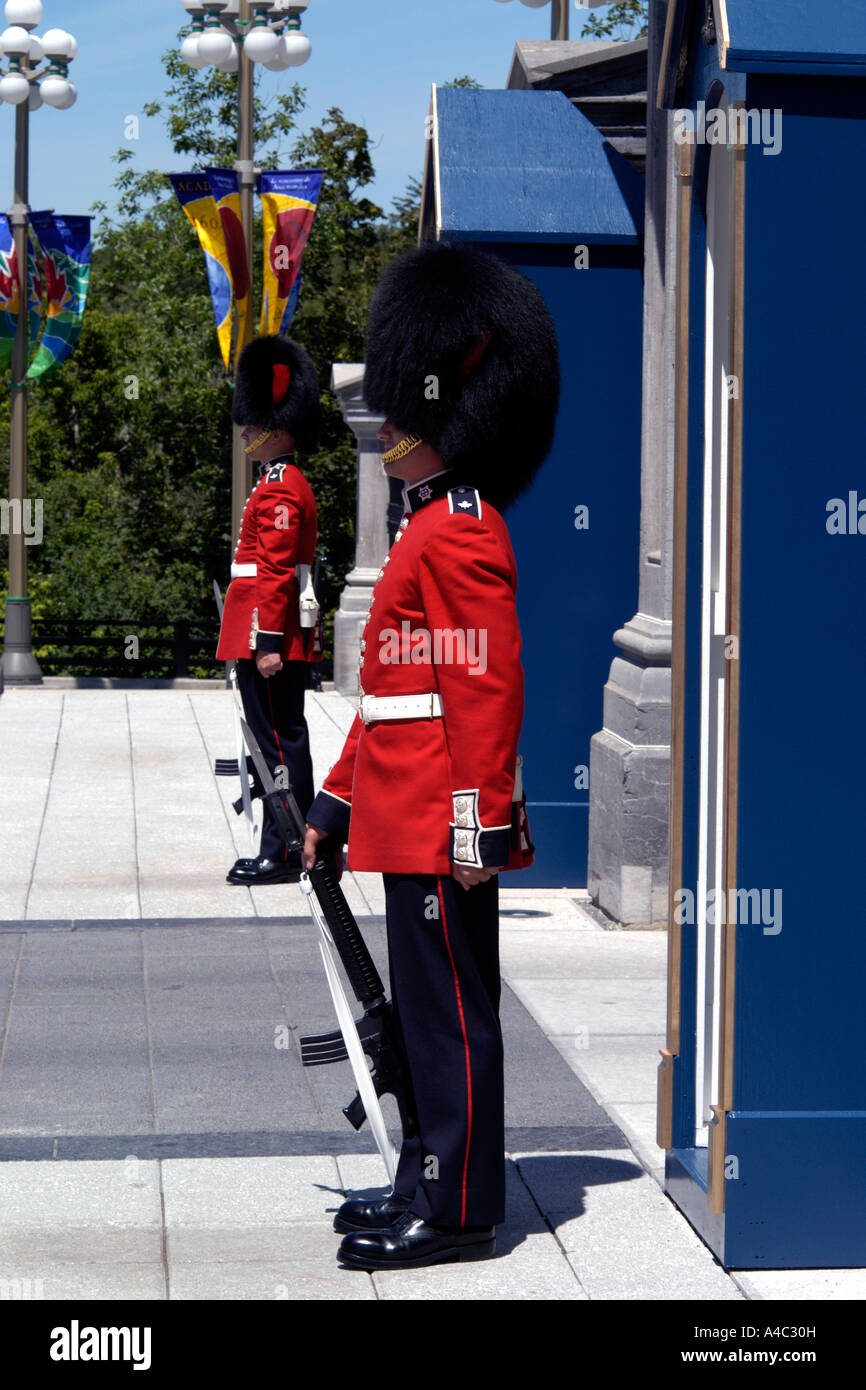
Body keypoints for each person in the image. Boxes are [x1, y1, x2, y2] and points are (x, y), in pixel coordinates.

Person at [302, 242, 559, 1270]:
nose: (383, 427)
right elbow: (394, 695)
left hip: (442, 821)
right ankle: (423, 1174)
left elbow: (485, 689)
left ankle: (458, 1208)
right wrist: (332, 802)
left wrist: (477, 823)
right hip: (403, 812)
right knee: (418, 1014)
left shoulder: (459, 529)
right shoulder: (424, 526)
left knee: (450, 1017)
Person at [217, 334, 321, 885]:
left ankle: (285, 848)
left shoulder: (280, 489)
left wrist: (268, 644)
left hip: (270, 637)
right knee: (276, 739)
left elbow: (277, 574)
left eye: (254, 424)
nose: (246, 433)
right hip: (265, 632)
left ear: (276, 428)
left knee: (278, 742)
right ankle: (284, 841)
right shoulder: (274, 483)